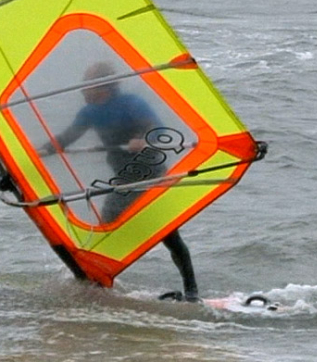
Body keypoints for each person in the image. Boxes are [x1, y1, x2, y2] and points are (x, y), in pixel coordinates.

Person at [41, 62, 199, 301]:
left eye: (87, 86)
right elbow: (69, 136)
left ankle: (192, 293)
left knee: (169, 234)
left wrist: (141, 138)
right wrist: (44, 150)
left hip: (148, 172)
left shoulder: (131, 104)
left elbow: (156, 128)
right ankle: (96, 284)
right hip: (122, 177)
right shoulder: (89, 112)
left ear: (104, 87)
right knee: (106, 228)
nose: (83, 91)